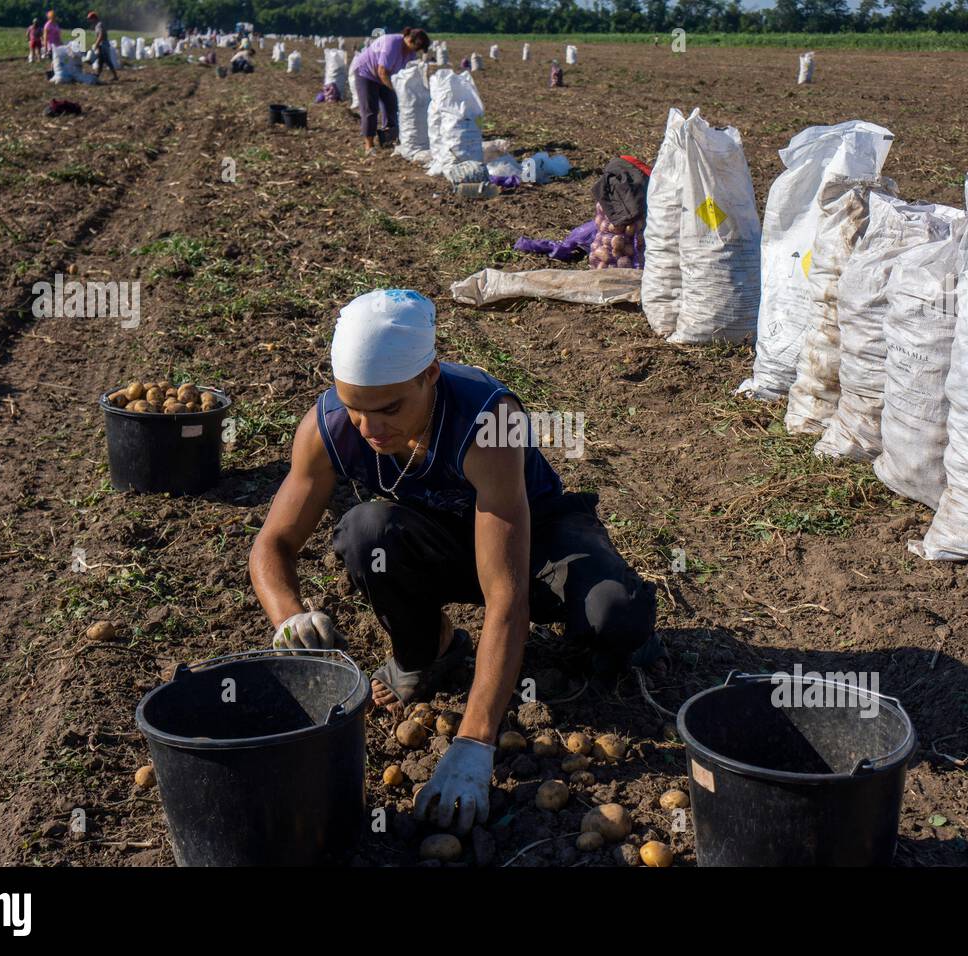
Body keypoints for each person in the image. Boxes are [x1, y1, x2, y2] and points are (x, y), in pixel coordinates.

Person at [249, 290, 663, 834]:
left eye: (390, 408)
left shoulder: (489, 420)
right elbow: (271, 544)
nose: (370, 427)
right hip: (444, 540)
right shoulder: (329, 427)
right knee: (367, 531)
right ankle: (429, 652)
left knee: (615, 613)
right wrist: (289, 618)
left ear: (430, 376)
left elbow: (506, 594)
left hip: (535, 537)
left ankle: (581, 649)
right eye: (355, 406)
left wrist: (473, 743)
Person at [351, 27, 429, 154]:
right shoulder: (392, 43)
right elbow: (382, 71)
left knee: (392, 106)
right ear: (409, 39)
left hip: (387, 76)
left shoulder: (411, 52)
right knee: (370, 109)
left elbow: (408, 73)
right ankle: (369, 146)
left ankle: (388, 139)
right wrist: (397, 90)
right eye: (416, 47)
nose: (415, 51)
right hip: (366, 73)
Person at [86, 11, 117, 81]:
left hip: (103, 45)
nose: (89, 21)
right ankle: (98, 74)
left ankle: (115, 76)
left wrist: (96, 44)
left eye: (90, 19)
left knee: (107, 61)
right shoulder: (98, 25)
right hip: (101, 45)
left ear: (93, 18)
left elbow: (101, 35)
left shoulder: (99, 25)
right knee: (101, 61)